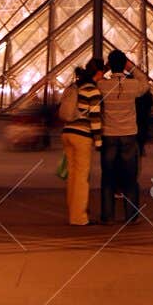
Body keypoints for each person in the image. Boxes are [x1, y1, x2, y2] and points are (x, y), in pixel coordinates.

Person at [97, 48, 150, 225]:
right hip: (129, 134)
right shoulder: (133, 85)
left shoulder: (102, 85)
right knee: (130, 178)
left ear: (110, 64)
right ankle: (132, 216)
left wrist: (105, 69)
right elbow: (145, 82)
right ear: (125, 64)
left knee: (107, 177)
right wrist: (130, 67)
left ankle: (107, 216)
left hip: (109, 135)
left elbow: (93, 81)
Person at [58, 61, 103, 226]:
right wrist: (98, 141)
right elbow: (95, 119)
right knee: (82, 178)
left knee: (72, 175)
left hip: (67, 133)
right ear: (98, 73)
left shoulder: (76, 87)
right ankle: (79, 217)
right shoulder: (92, 90)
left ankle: (73, 211)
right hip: (82, 136)